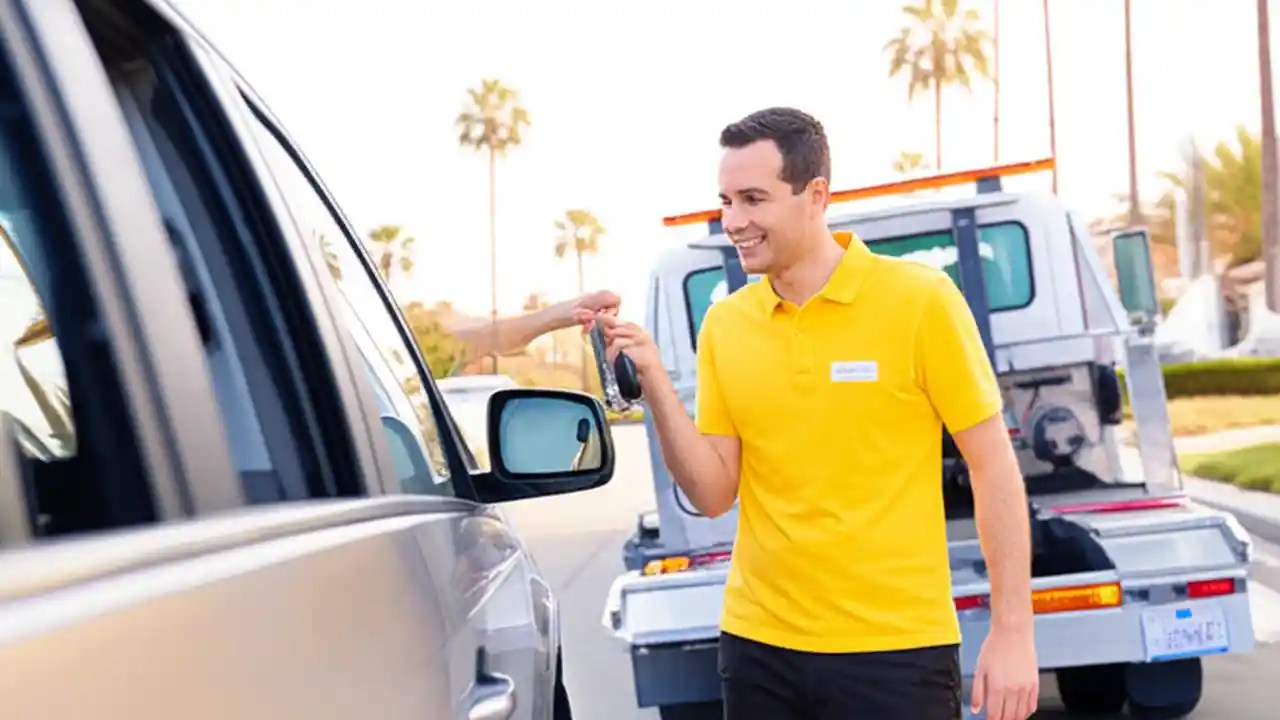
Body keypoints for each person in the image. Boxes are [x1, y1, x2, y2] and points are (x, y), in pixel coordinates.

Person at [594, 107, 1038, 720]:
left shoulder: (921, 301)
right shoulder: (726, 324)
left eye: (754, 199)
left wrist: (1014, 631)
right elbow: (715, 491)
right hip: (759, 649)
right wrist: (657, 388)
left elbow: (993, 468)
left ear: (816, 195)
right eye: (726, 200)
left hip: (895, 651)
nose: (734, 221)